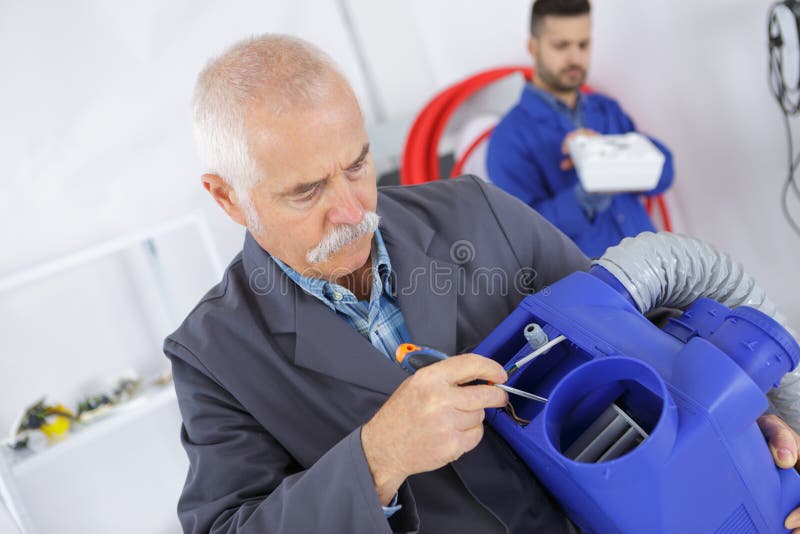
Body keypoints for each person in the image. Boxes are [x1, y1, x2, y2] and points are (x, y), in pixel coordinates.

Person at [165, 34, 800, 533]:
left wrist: (746, 421)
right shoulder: (213, 357)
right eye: (306, 191)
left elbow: (632, 333)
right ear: (227, 197)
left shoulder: (477, 212)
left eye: (357, 164)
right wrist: (377, 460)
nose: (354, 210)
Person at [486, 0, 674, 258]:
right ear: (533, 47)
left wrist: (610, 154)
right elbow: (524, 236)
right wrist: (587, 194)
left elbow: (664, 174)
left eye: (583, 45)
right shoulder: (508, 139)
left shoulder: (607, 110)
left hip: (658, 265)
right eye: (561, 45)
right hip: (591, 285)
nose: (575, 58)